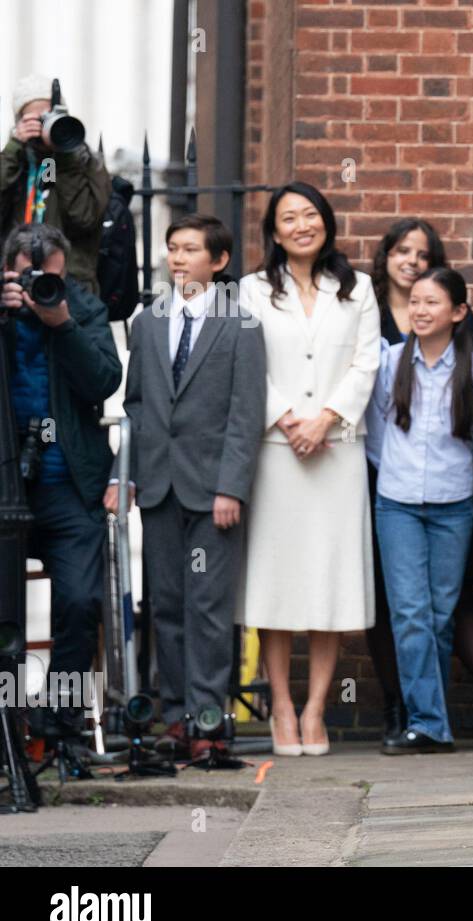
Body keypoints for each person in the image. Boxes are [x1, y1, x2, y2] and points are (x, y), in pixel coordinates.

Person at [104, 214, 266, 760]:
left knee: (209, 608)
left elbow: (246, 414)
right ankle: (174, 720)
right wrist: (122, 476)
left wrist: (231, 488)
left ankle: (207, 723)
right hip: (158, 487)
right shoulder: (148, 322)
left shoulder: (240, 324)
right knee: (167, 605)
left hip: (213, 492)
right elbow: (136, 407)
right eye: (172, 248)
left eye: (190, 249)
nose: (177, 258)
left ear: (217, 262)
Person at [364, 218, 473, 748]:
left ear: (457, 313)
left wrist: (448, 471)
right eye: (414, 302)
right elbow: (377, 432)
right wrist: (399, 475)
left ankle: (427, 720)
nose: (420, 310)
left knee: (438, 615)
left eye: (432, 302)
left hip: (455, 505)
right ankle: (428, 724)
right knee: (409, 614)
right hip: (398, 504)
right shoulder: (389, 364)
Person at [236, 181, 381, 757]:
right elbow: (248, 362)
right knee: (276, 586)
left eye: (311, 215)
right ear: (273, 231)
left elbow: (366, 362)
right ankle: (282, 709)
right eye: (289, 218)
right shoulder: (250, 290)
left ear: (326, 223)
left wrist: (326, 418)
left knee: (329, 583)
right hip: (277, 453)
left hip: (337, 451)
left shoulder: (358, 287)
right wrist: (289, 419)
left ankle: (317, 708)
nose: (302, 225)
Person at [2, 223, 121, 726]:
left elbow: (105, 380)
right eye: (29, 279)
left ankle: (59, 724)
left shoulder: (82, 308)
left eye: (49, 278)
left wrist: (63, 323)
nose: (38, 289)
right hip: (6, 485)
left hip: (68, 485)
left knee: (79, 602)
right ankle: (8, 720)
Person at [0, 75, 111, 296]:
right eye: (35, 119)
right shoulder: (13, 161)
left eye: (50, 117)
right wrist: (13, 150)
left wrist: (65, 159)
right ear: (19, 122)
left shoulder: (87, 163)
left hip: (71, 285)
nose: (43, 125)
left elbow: (84, 219)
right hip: (15, 284)